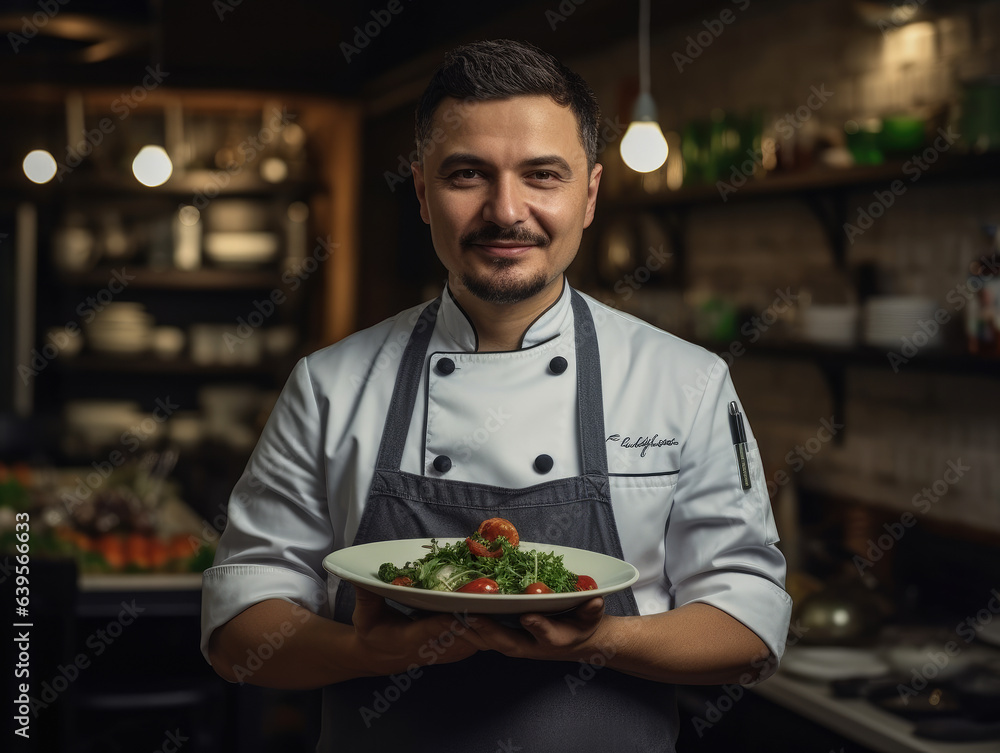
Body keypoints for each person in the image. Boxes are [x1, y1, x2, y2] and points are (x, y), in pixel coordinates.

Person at [201, 39, 791, 752]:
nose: (506, 210)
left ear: (591, 193)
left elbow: (752, 627)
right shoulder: (329, 384)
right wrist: (372, 654)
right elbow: (237, 628)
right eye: (467, 174)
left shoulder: (685, 381)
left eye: (542, 174)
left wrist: (600, 639)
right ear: (422, 193)